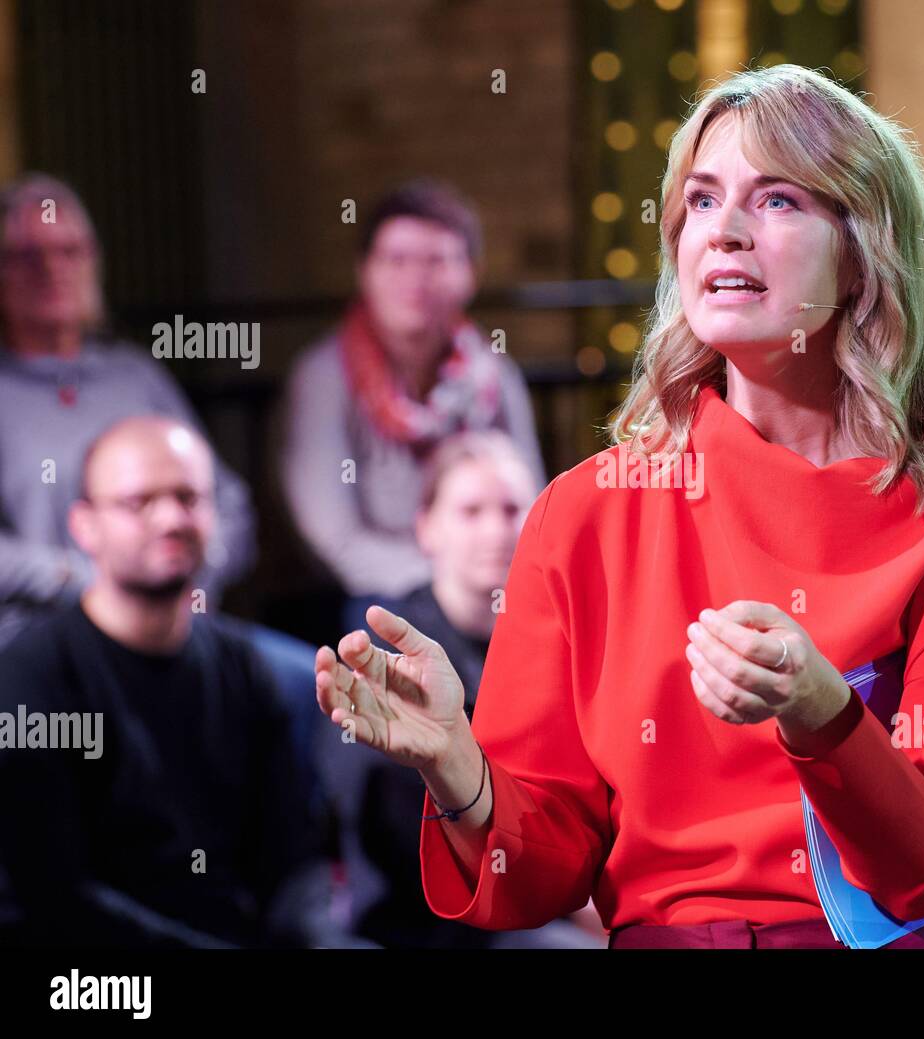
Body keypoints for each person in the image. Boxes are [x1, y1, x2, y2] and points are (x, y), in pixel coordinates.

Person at [315, 65, 924, 950]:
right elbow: (538, 874)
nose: (725, 232)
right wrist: (458, 766)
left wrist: (824, 715)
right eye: (701, 201)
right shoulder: (584, 513)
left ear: (863, 254)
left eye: (776, 200)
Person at [0, 416, 340, 948]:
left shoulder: (243, 667)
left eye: (188, 497)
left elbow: (291, 860)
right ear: (83, 525)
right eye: (139, 502)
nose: (170, 519)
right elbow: (53, 895)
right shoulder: (32, 677)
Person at [329, 430, 600, 947]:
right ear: (426, 528)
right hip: (426, 915)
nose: (496, 530)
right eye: (471, 511)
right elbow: (395, 834)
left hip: (546, 886)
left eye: (511, 508)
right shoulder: (388, 652)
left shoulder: (566, 636)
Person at [0, 173, 255, 649]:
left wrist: (190, 568)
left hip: (172, 635)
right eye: (26, 256)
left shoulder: (136, 376)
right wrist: (94, 580)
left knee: (299, 682)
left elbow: (228, 502)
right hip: (38, 644)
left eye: (69, 251)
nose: (51, 269)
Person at [280, 178, 546, 603]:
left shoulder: (495, 373)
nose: (415, 279)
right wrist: (445, 588)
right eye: (396, 260)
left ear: (471, 274)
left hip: (488, 589)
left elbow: (531, 504)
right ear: (363, 271)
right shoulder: (324, 377)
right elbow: (335, 537)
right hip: (375, 594)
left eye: (437, 261)